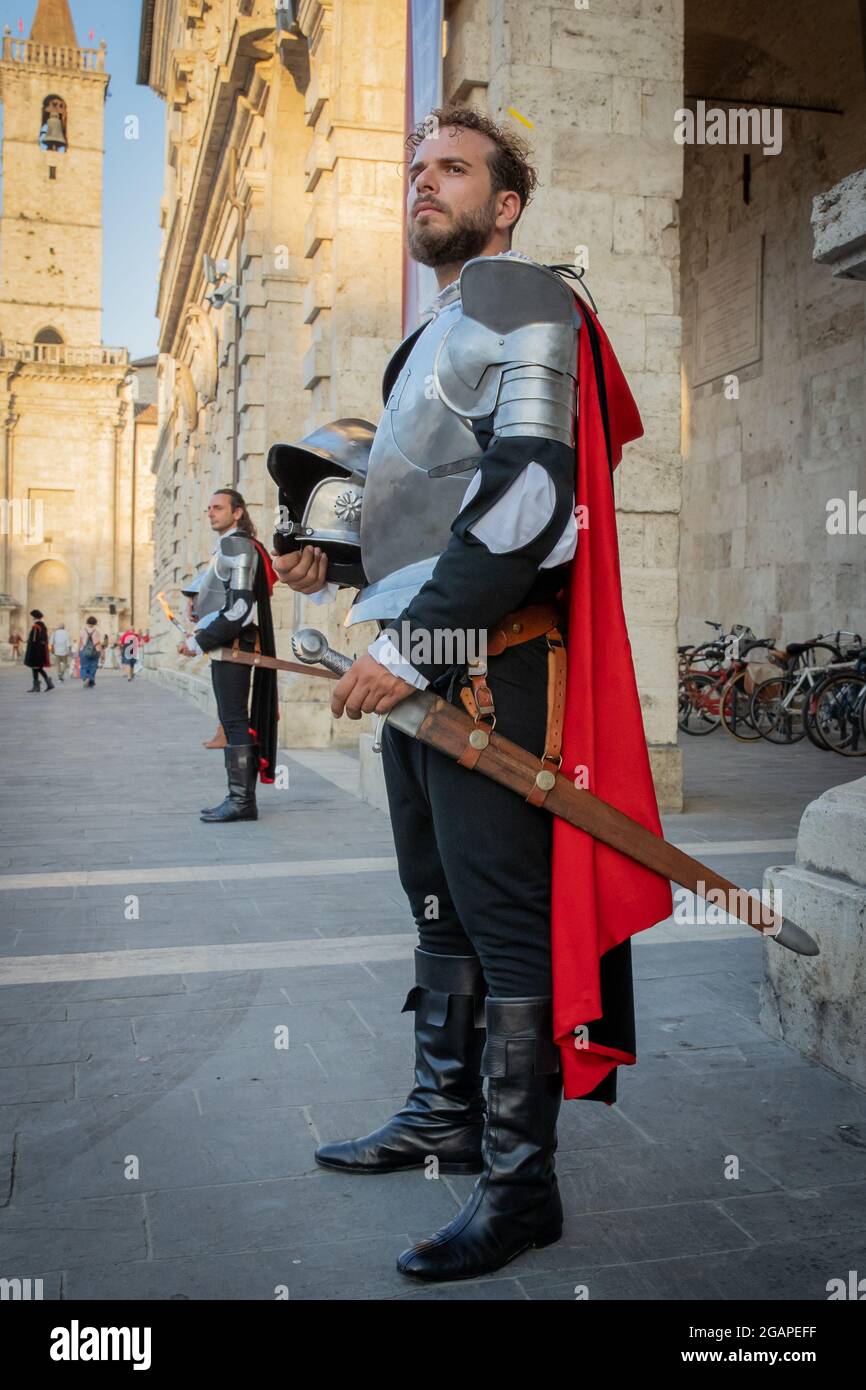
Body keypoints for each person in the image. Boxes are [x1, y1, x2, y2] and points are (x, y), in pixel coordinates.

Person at [273, 106, 672, 1283]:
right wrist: (335, 564)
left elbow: (529, 497)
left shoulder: (524, 298)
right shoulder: (421, 343)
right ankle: (443, 1112)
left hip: (490, 664)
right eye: (415, 169)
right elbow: (422, 512)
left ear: (503, 206)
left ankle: (519, 1188)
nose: (422, 184)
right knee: (435, 904)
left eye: (451, 169)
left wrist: (422, 639)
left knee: (504, 928)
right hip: (410, 660)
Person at [177, 488, 278, 822]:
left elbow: (240, 609)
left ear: (237, 513)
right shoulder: (227, 546)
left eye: (218, 507)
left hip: (237, 646)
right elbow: (225, 601)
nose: (211, 513)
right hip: (230, 646)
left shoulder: (237, 545)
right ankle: (239, 799)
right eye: (208, 508)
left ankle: (242, 802)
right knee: (233, 720)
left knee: (235, 721)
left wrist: (199, 642)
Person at [24, 610, 53, 692]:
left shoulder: (36, 626)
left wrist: (31, 653)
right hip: (41, 650)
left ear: (34, 617)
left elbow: (34, 640)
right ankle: (46, 684)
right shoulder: (43, 626)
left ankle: (39, 686)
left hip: (36, 652)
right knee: (37, 669)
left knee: (36, 668)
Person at [78, 616, 101, 688]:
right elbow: (99, 642)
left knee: (84, 666)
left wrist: (78, 651)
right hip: (95, 650)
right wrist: (101, 652)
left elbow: (80, 641)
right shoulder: (97, 631)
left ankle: (86, 677)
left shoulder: (82, 631)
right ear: (95, 623)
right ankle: (91, 679)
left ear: (87, 622)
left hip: (84, 650)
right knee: (93, 666)